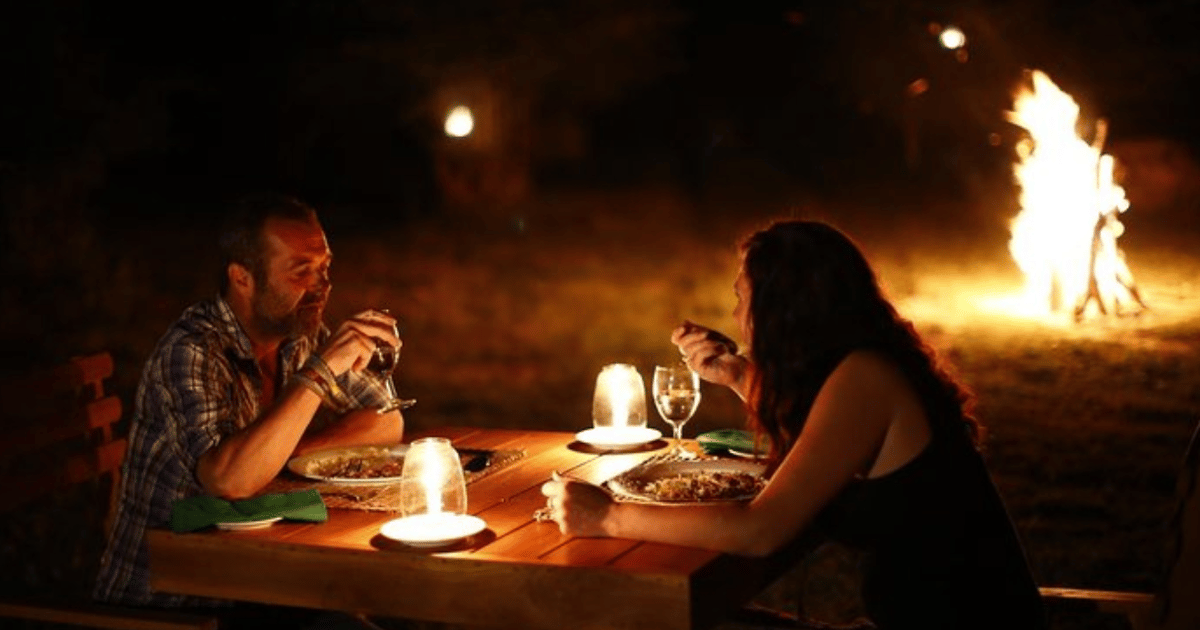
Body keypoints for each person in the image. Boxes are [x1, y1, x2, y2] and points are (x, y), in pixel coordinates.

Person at [542, 220, 1047, 629]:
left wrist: (608, 518)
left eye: (743, 297)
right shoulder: (865, 369)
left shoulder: (866, 379)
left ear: (782, 310)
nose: (737, 314)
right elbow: (819, 436)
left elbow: (761, 530)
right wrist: (739, 375)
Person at [95, 194, 405, 610]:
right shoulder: (192, 350)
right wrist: (318, 372)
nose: (322, 285)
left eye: (325, 267)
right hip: (172, 603)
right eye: (302, 271)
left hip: (257, 585)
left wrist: (284, 457)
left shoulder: (298, 334)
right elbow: (227, 480)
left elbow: (386, 421)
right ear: (242, 278)